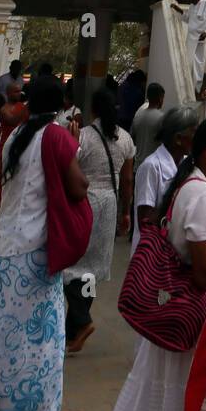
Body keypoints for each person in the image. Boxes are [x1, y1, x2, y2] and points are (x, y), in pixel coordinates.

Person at [0, 78, 88, 411]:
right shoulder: (57, 136)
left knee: (2, 333)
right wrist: (74, 146)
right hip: (36, 250)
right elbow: (78, 187)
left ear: (27, 103)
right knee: (42, 339)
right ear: (62, 106)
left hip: (8, 247)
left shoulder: (15, 135)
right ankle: (40, 408)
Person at [112, 115, 206, 411]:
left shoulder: (193, 187)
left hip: (175, 312)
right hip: (186, 315)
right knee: (174, 396)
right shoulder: (203, 197)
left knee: (158, 395)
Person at [63, 88, 135, 353]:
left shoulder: (82, 136)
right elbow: (127, 181)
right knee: (92, 267)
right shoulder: (125, 138)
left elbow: (69, 169)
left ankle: (81, 320)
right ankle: (74, 330)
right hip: (110, 204)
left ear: (92, 109)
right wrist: (126, 212)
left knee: (70, 265)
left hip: (85, 202)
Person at [132, 106, 198, 254]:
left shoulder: (187, 163)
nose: (196, 138)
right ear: (179, 139)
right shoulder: (151, 166)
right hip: (151, 254)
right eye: (193, 132)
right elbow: (145, 219)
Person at [0, 82, 30, 223]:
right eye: (15, 92)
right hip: (6, 148)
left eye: (20, 91)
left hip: (20, 147)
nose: (19, 94)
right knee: (1, 179)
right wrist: (29, 106)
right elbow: (12, 120)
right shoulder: (4, 109)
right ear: (8, 94)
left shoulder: (22, 107)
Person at [172, 0, 206, 94]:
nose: (189, 0)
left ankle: (196, 89)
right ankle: (188, 87)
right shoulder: (191, 6)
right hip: (190, 39)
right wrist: (179, 10)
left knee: (199, 64)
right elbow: (188, 19)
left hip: (201, 38)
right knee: (189, 62)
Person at [131, 83, 166, 170]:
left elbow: (132, 139)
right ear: (160, 99)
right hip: (153, 168)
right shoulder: (162, 118)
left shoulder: (138, 116)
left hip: (138, 166)